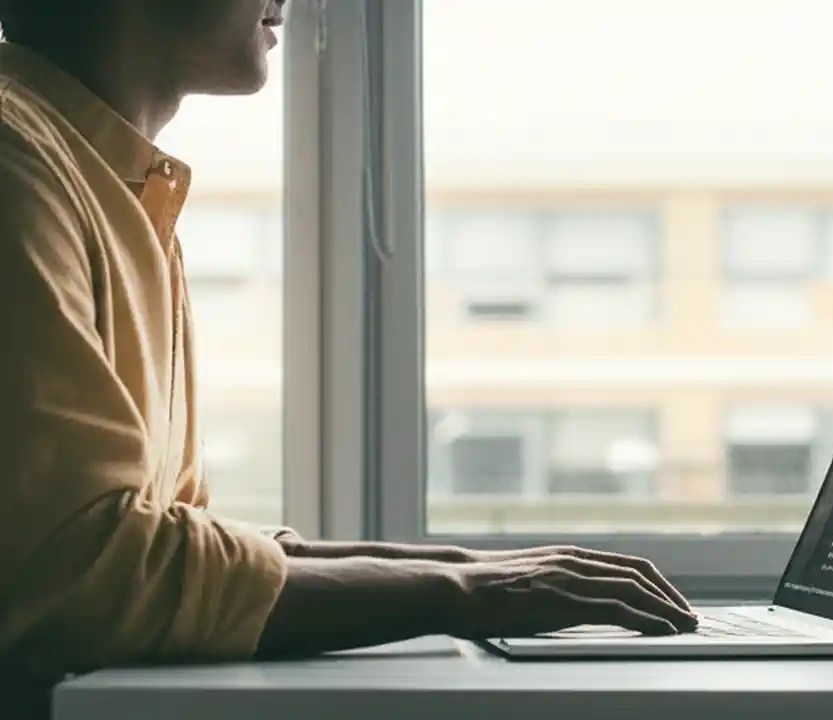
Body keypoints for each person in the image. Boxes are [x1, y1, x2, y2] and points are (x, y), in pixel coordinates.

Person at [0, 1, 696, 715]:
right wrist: (466, 593)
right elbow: (89, 573)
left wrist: (471, 569)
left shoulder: (103, 181)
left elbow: (163, 542)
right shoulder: (17, 170)